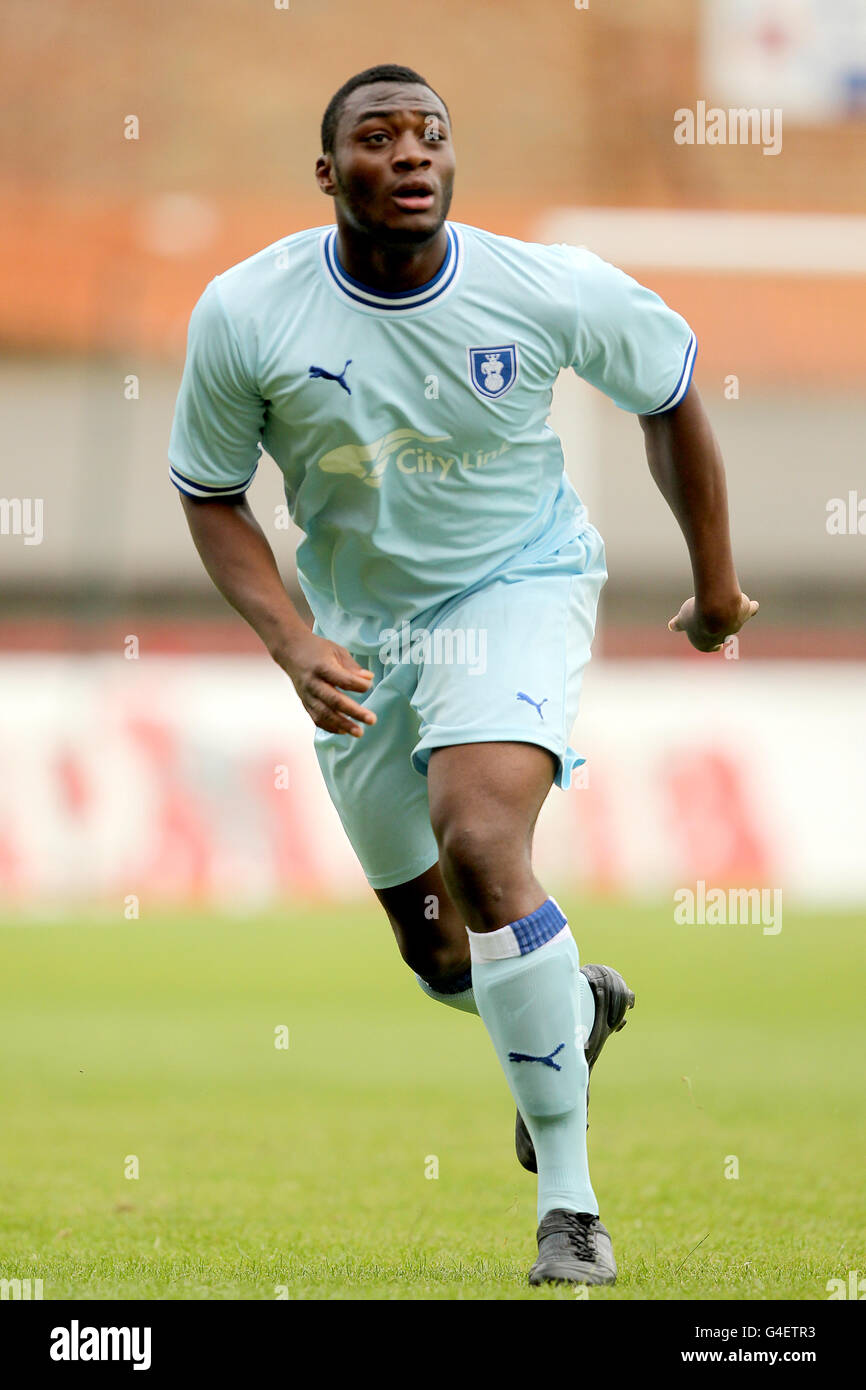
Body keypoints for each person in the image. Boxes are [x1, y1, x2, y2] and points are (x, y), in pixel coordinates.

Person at [169, 63, 758, 1286]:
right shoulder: (246, 312)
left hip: (515, 585)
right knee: (442, 952)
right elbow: (209, 490)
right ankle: (571, 1009)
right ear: (329, 174)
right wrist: (289, 637)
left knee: (483, 841)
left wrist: (712, 584)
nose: (412, 153)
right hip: (358, 635)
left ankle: (570, 1204)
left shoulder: (541, 286)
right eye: (376, 138)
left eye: (430, 133)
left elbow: (666, 387)